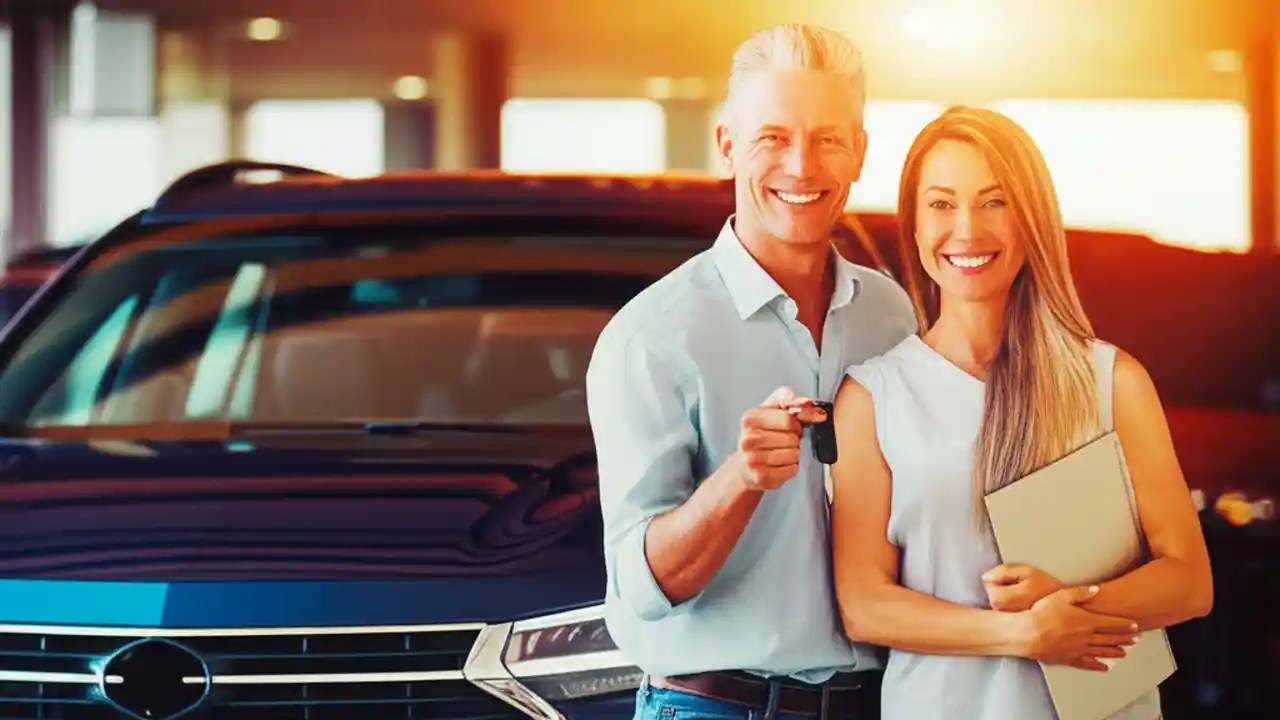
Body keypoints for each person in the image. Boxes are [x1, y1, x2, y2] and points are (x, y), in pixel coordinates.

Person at [829, 106, 1214, 720]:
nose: (967, 230)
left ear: (1031, 217)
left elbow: (1189, 582)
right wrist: (1020, 633)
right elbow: (865, 605)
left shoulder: (1112, 381)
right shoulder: (873, 399)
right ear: (915, 223)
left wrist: (1069, 602)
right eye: (941, 204)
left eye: (994, 201)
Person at [586, 24, 917, 720]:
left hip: (877, 703)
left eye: (828, 139)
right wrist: (739, 479)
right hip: (717, 708)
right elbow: (644, 587)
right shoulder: (650, 337)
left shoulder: (891, 315)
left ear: (858, 153)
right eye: (773, 137)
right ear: (729, 147)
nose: (802, 166)